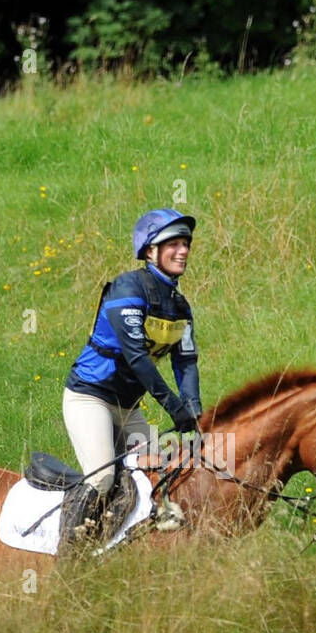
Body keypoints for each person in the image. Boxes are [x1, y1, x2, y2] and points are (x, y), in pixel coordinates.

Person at [60, 208, 203, 547]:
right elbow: (137, 357)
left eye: (186, 244)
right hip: (89, 398)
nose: (183, 251)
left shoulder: (180, 308)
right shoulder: (128, 288)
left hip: (127, 407)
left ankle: (118, 548)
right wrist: (173, 407)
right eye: (173, 244)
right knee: (103, 478)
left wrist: (194, 409)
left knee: (158, 477)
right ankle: (70, 553)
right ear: (150, 251)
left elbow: (186, 362)